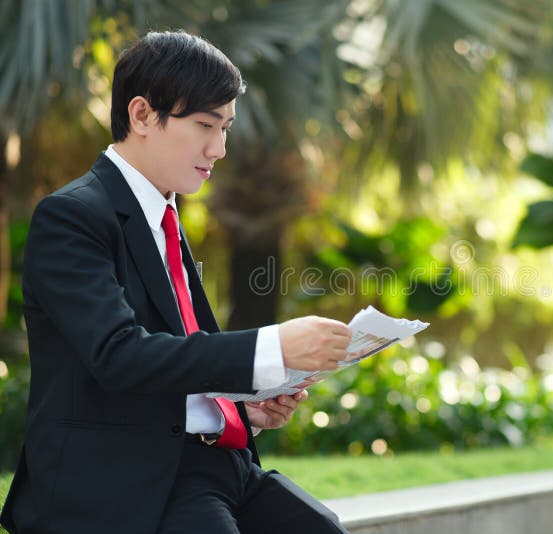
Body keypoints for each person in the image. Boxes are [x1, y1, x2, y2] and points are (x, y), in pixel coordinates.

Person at [0, 30, 352, 534]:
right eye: (205, 124)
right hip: (128, 478)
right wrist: (272, 345)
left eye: (226, 127)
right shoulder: (72, 217)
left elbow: (174, 350)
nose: (220, 148)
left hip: (220, 466)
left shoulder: (162, 214)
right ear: (142, 115)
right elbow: (120, 355)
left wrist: (236, 405)